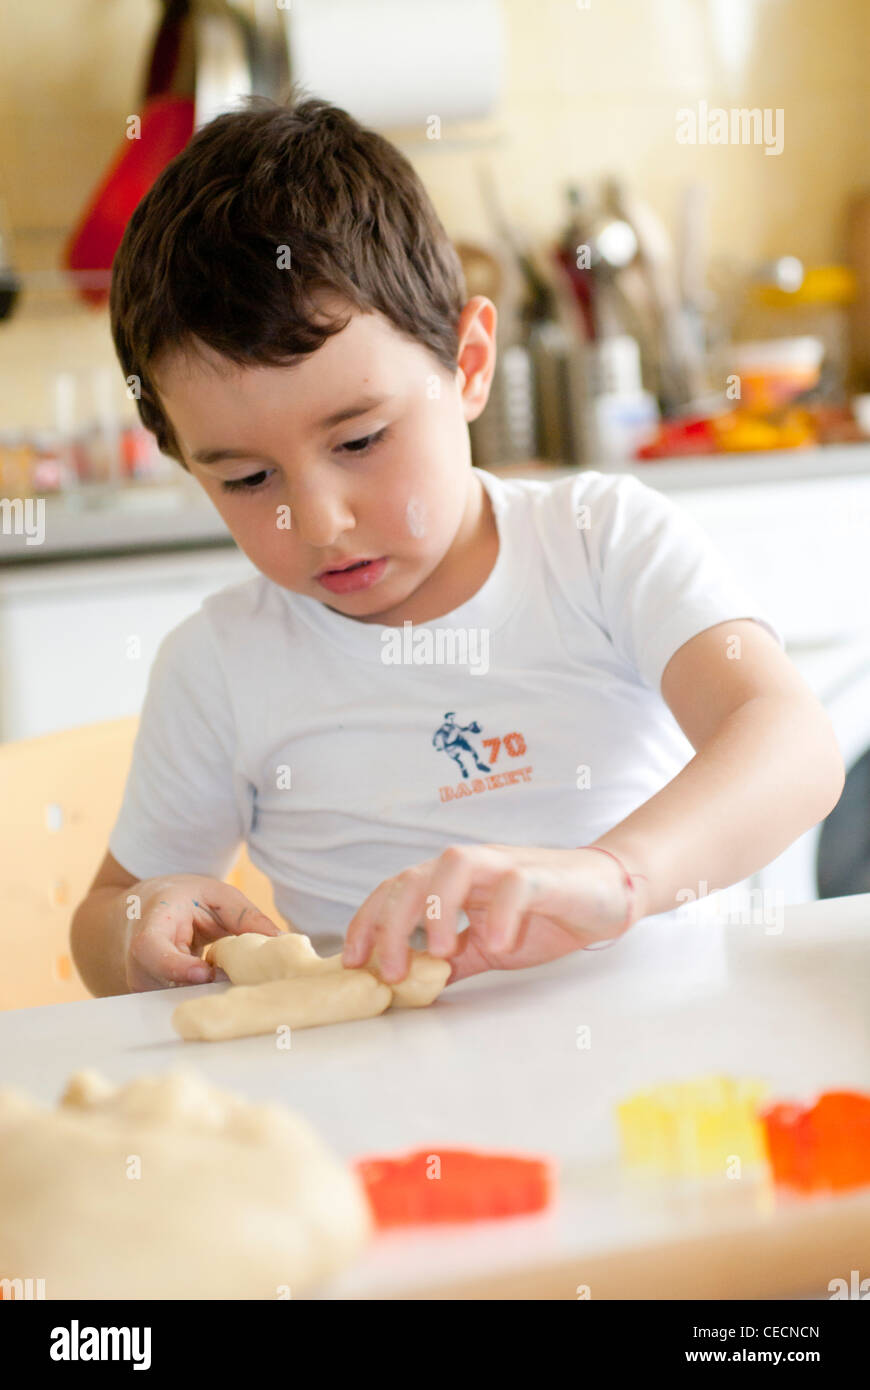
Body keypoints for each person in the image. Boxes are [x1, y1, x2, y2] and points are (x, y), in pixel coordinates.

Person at [70, 94, 844, 997]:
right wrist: (142, 924)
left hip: (659, 1078)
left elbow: (791, 740)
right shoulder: (218, 665)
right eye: (247, 480)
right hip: (373, 1118)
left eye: (359, 441)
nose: (318, 522)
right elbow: (107, 911)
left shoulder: (602, 544)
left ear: (468, 365)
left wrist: (612, 877)